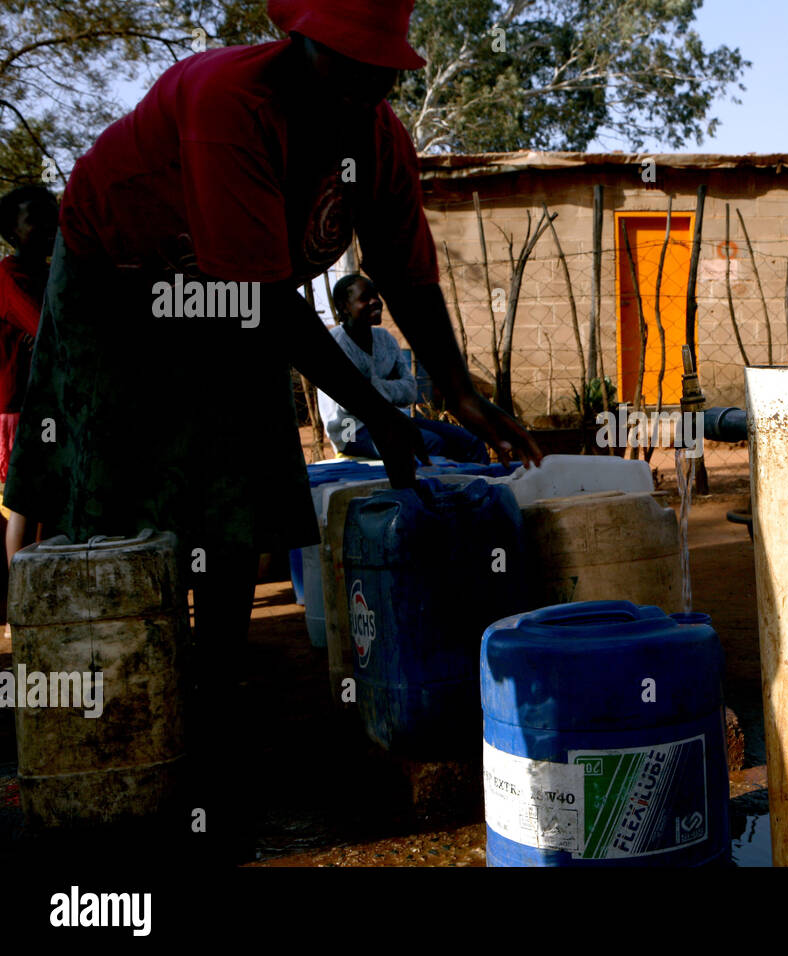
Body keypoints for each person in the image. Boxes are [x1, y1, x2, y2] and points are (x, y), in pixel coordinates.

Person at [3, 0, 543, 851]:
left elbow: (405, 267)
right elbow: (262, 306)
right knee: (113, 508)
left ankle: (213, 734)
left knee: (239, 491)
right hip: (119, 279)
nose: (369, 83)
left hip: (237, 294)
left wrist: (455, 392)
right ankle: (113, 727)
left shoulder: (376, 134)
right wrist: (373, 415)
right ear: (299, 42)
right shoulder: (232, 104)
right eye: (351, 62)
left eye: (384, 68)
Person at [317, 273, 489, 463]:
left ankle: (478, 490)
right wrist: (386, 388)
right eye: (365, 298)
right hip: (351, 430)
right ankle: (438, 490)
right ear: (344, 307)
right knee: (432, 443)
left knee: (470, 442)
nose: (376, 302)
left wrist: (374, 386)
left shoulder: (385, 340)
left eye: (377, 296)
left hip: (392, 420)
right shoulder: (336, 345)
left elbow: (409, 392)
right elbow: (354, 402)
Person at [0, 186, 56, 575]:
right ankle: (23, 599)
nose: (50, 223)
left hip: (47, 402)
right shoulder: (8, 275)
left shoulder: (51, 273)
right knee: (24, 501)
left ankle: (41, 595)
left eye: (52, 213)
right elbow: (46, 327)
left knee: (47, 501)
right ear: (11, 233)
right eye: (35, 218)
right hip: (17, 406)